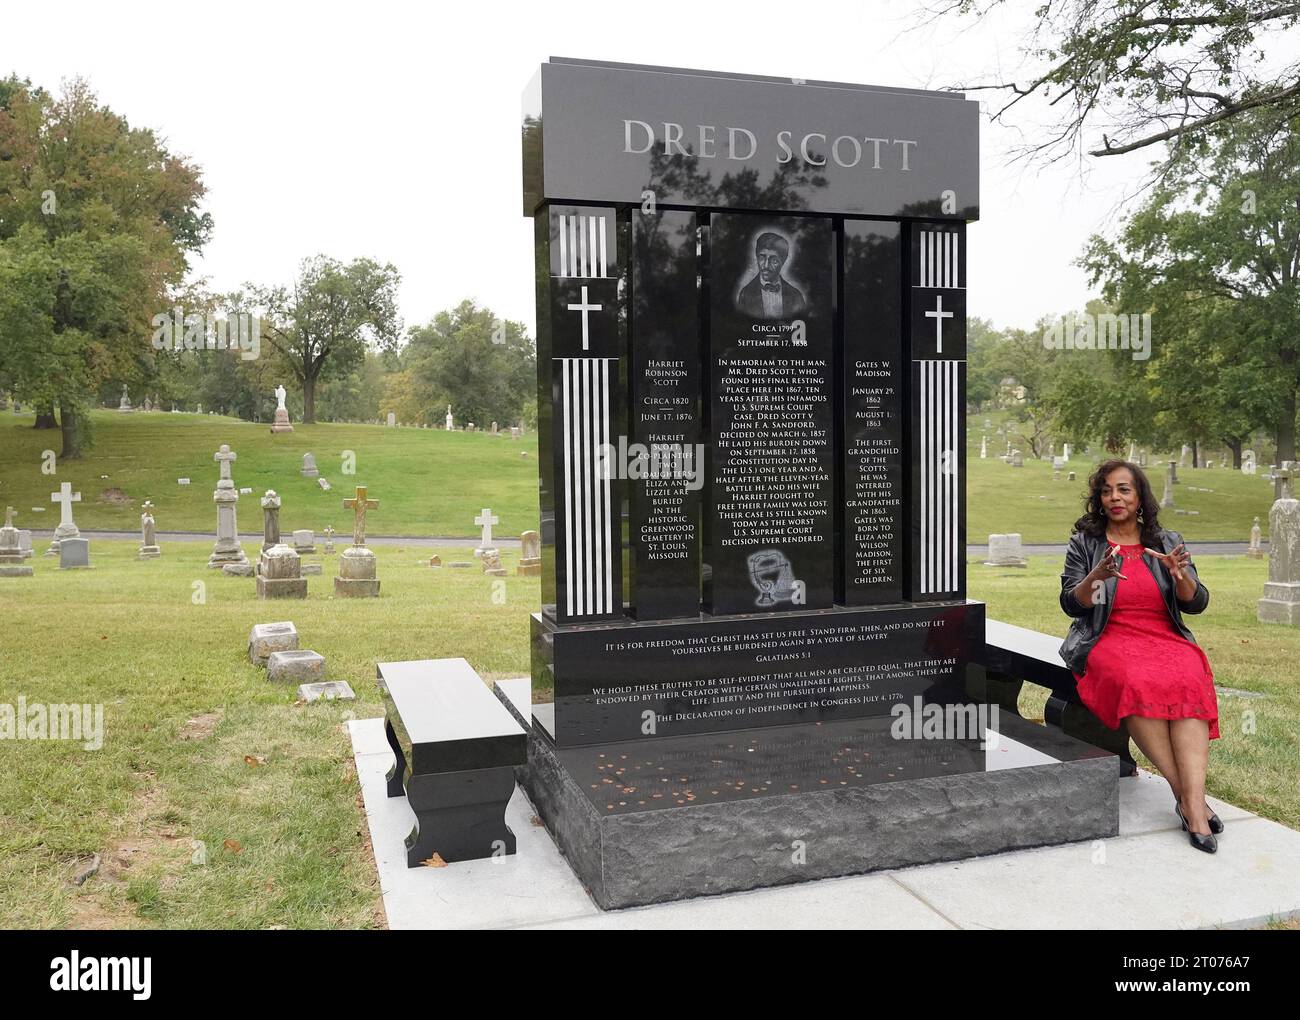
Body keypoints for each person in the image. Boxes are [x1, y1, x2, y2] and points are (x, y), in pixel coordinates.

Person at [1058, 459, 1221, 853]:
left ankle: (1190, 800)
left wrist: (1180, 575)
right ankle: (1192, 804)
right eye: (1107, 490)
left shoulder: (1167, 541)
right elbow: (1071, 605)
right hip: (1106, 639)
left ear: (1139, 497)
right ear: (1099, 498)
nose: (1115, 497)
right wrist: (1095, 578)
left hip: (1165, 638)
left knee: (1189, 675)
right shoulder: (1086, 542)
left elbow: (1196, 603)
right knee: (1136, 679)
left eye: (1124, 489)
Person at [736, 231, 806, 319]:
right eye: (762, 257)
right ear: (757, 257)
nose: (765, 265)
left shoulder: (796, 297)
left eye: (774, 260)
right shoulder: (745, 294)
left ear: (783, 261)